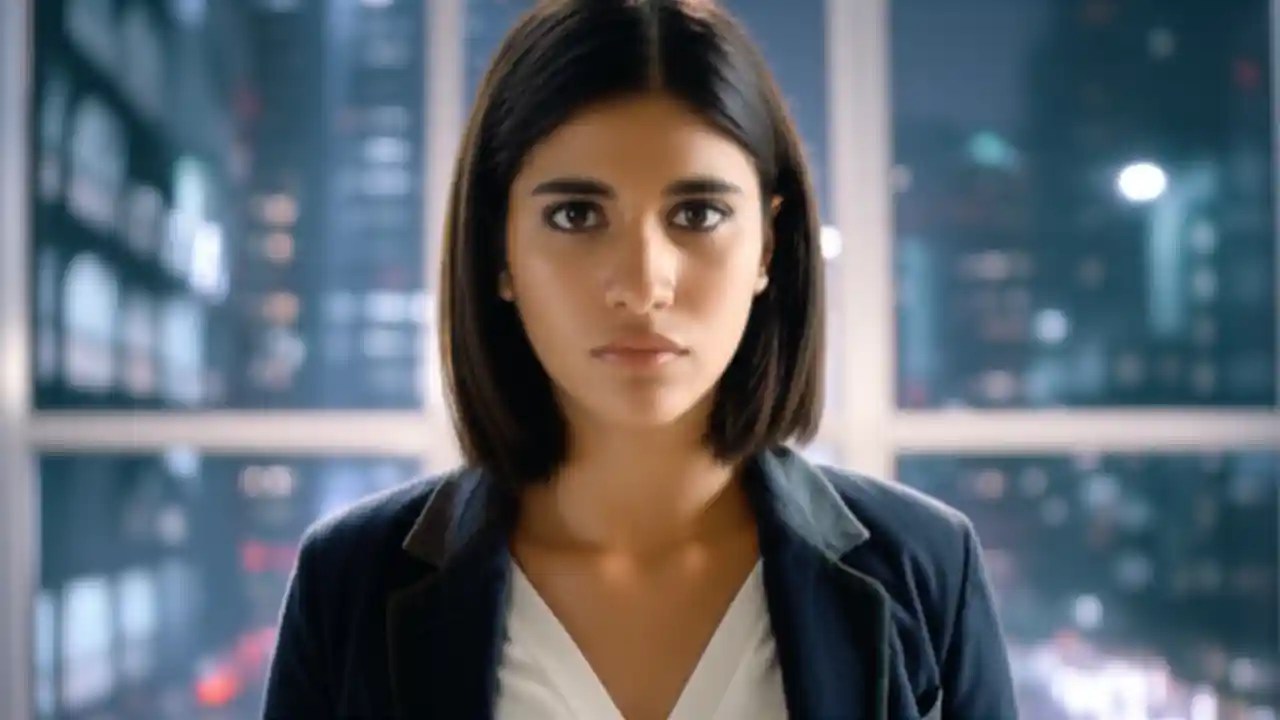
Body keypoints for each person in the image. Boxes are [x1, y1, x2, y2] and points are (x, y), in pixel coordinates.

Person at [262, 0, 1018, 718]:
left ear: (767, 246)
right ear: (500, 252)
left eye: (697, 214)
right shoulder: (352, 580)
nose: (642, 285)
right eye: (576, 215)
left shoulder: (924, 569)